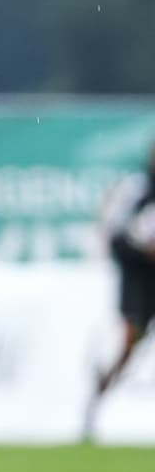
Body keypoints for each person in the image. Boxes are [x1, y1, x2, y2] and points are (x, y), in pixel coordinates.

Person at [85, 140, 155, 438]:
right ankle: (102, 389)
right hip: (139, 274)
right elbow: (113, 232)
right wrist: (142, 249)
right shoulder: (135, 189)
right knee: (133, 334)